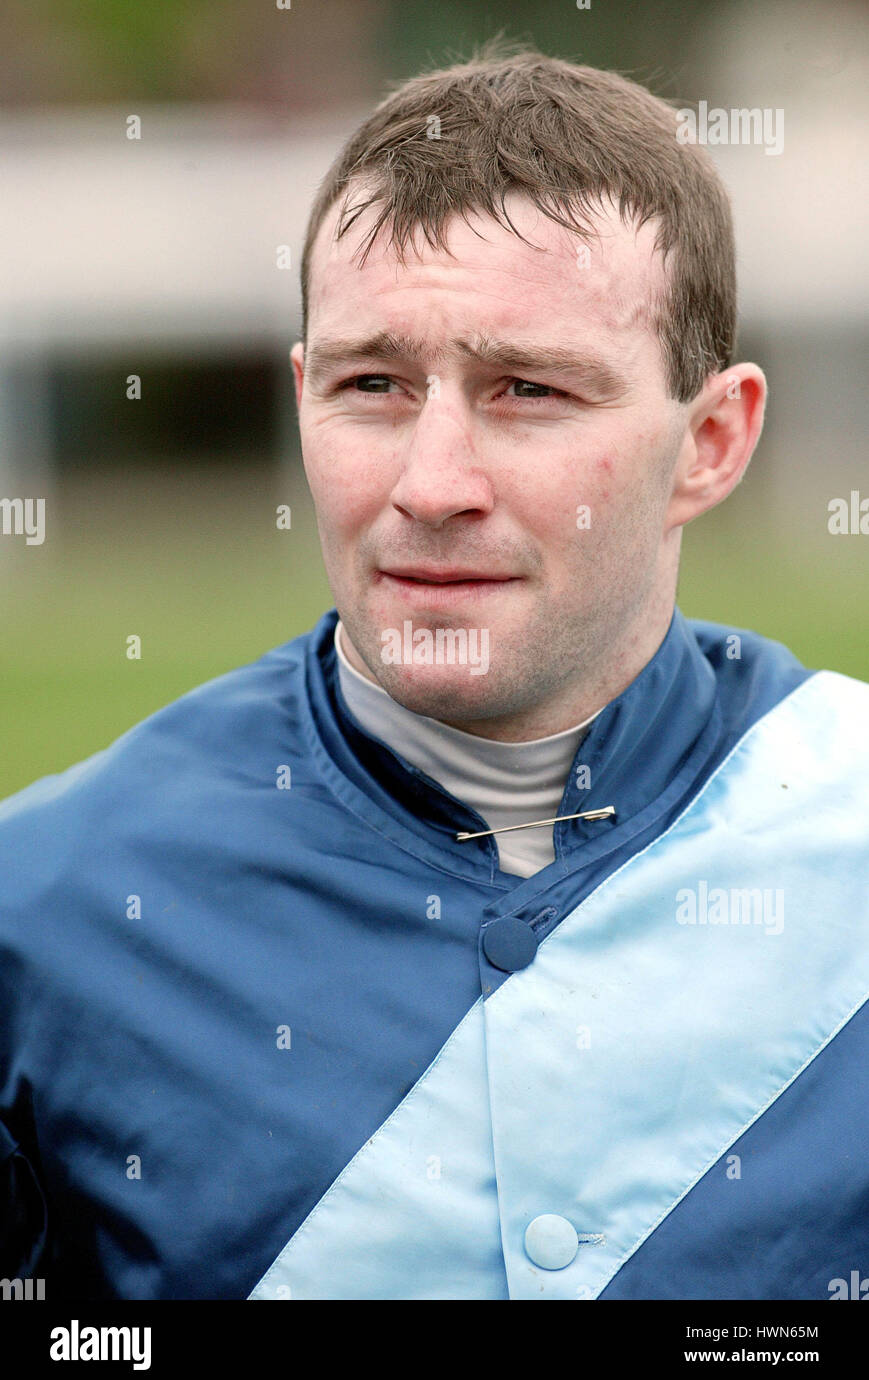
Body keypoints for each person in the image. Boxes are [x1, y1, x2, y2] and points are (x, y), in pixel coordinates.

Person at [1, 41, 867, 1303]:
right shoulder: (47, 911)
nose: (428, 484)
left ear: (711, 440)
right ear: (301, 399)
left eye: (526, 389)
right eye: (371, 386)